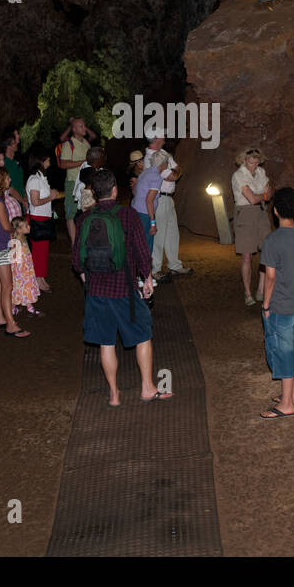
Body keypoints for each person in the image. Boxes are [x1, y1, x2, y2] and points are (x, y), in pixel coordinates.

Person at [72, 168, 174, 406]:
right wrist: (147, 279)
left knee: (106, 343)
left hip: (97, 291)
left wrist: (86, 278)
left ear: (95, 194)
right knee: (143, 336)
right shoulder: (127, 215)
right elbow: (141, 251)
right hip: (124, 290)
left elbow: (77, 261)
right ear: (115, 190)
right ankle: (147, 388)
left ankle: (114, 393)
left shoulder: (84, 219)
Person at [259, 187, 294, 419]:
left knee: (284, 352)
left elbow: (270, 277)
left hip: (280, 304)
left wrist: (266, 304)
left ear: (276, 210)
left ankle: (287, 404)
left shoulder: (272, 240)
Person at [0, 168, 29, 338]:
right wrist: (14, 230)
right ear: (0, 180)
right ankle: (11, 324)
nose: (10, 179)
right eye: (7, 177)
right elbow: (5, 226)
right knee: (7, 286)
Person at [232, 147, 273, 306]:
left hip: (261, 213)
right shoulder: (239, 175)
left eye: (256, 162)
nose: (254, 165)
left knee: (266, 251)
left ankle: (261, 289)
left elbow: (270, 193)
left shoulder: (261, 172)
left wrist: (262, 196)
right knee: (247, 255)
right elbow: (252, 199)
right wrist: (263, 195)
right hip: (245, 214)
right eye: (251, 162)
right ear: (243, 160)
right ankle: (247, 292)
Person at [147, 137, 192, 281]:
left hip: (168, 198)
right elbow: (172, 176)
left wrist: (175, 170)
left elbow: (176, 172)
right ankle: (156, 269)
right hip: (159, 198)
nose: (164, 140)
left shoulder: (164, 153)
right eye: (161, 137)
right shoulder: (150, 156)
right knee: (159, 235)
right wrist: (175, 170)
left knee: (172, 233)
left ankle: (174, 265)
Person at [58, 116, 98, 242]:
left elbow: (94, 136)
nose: (84, 128)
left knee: (87, 210)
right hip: (72, 182)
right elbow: (63, 164)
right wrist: (82, 162)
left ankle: (85, 240)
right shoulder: (68, 144)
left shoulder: (86, 143)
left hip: (86, 184)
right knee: (71, 214)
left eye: (84, 125)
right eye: (81, 126)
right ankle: (74, 244)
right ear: (74, 129)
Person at [26, 146, 59, 292]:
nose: (50, 160)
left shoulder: (41, 178)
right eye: (47, 158)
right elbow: (35, 202)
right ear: (40, 161)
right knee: (39, 251)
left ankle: (41, 278)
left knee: (42, 251)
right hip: (37, 218)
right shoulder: (34, 179)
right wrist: (51, 197)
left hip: (43, 217)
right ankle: (38, 280)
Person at [8, 217, 43, 317]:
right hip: (20, 271)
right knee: (19, 287)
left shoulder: (23, 238)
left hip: (26, 269)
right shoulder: (15, 241)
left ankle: (29, 307)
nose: (29, 227)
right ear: (19, 229)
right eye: (26, 226)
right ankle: (13, 307)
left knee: (26, 287)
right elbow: (12, 257)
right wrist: (18, 270)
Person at [130, 149, 162, 256]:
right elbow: (148, 200)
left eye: (141, 160)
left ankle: (140, 269)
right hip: (143, 211)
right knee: (145, 243)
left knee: (138, 241)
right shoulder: (136, 175)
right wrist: (153, 223)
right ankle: (145, 270)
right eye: (138, 162)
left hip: (136, 208)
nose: (141, 163)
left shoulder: (144, 172)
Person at [73, 146, 106, 213]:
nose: (105, 159)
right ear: (97, 160)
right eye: (103, 157)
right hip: (86, 210)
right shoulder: (88, 173)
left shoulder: (93, 167)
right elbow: (79, 192)